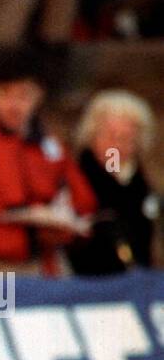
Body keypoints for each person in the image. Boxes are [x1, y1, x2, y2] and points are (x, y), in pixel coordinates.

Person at [0, 47, 97, 275]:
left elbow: (84, 201)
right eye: (4, 93)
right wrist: (32, 238)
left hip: (50, 260)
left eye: (24, 95)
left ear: (39, 96)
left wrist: (64, 231)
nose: (14, 105)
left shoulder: (49, 144)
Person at [69, 90, 159, 275]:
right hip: (88, 282)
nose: (117, 147)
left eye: (126, 138)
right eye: (111, 136)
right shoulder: (76, 177)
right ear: (92, 135)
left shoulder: (140, 183)